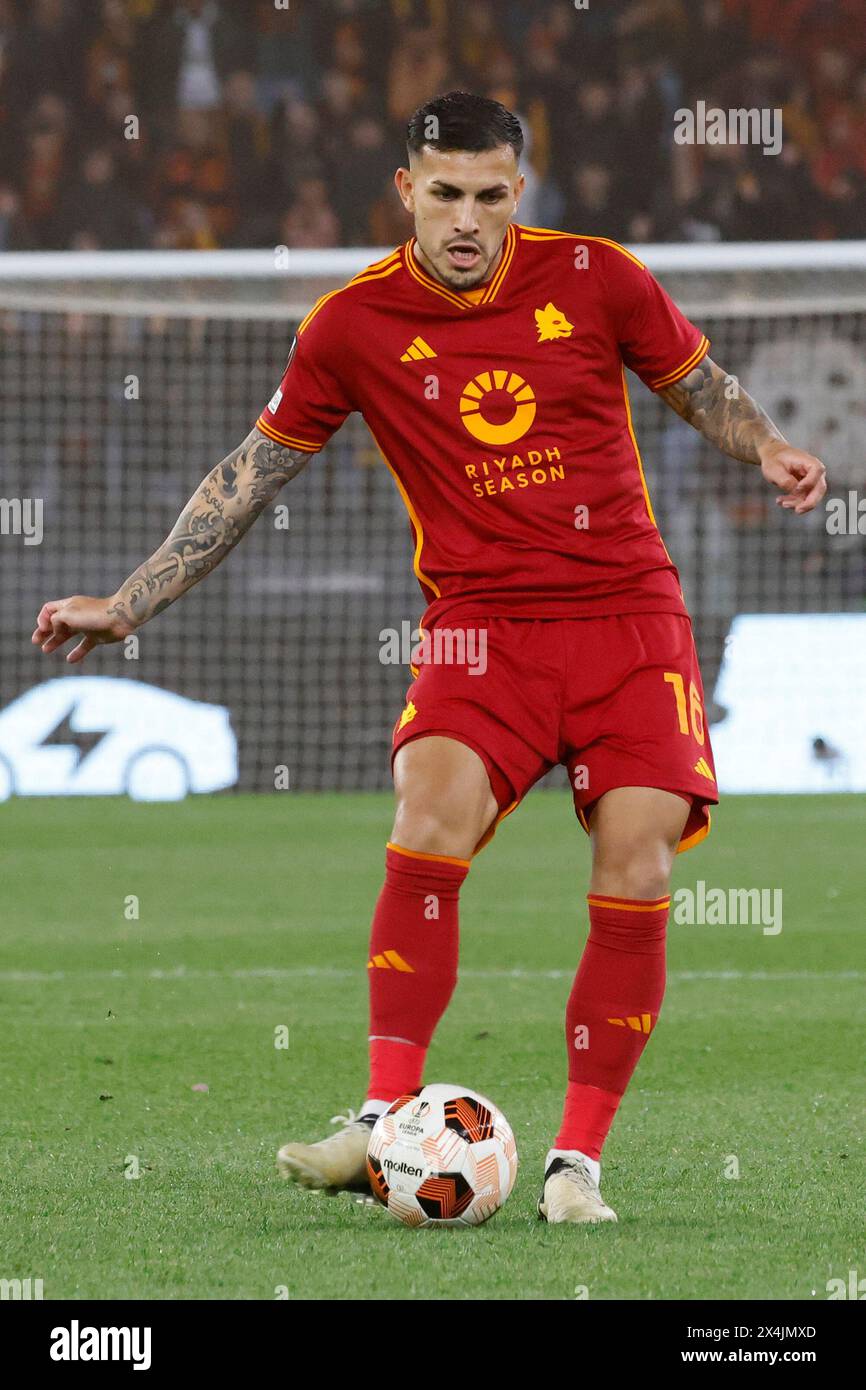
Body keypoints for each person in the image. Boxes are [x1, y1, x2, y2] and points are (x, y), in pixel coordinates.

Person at [32, 91, 826, 1224]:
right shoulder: (351, 324)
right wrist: (129, 600)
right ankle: (379, 1119)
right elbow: (247, 478)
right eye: (443, 194)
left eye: (489, 196)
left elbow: (696, 385)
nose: (465, 218)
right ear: (404, 189)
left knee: (638, 860)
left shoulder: (597, 278)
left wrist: (769, 446)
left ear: (520, 192)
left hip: (625, 615)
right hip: (479, 625)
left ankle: (574, 1166)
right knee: (425, 809)